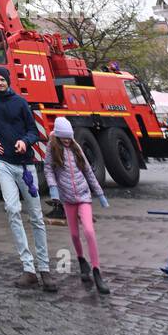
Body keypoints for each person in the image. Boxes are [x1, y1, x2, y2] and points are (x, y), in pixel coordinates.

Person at [0, 66, 57, 292]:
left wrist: (25, 141)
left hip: (26, 166)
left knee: (36, 216)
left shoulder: (21, 103)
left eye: (2, 80)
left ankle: (45, 268)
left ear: (9, 81)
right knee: (12, 210)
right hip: (3, 163)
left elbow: (34, 130)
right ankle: (28, 268)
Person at [44, 117, 110, 294]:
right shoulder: (52, 147)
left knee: (89, 231)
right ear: (57, 136)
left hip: (83, 195)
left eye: (69, 137)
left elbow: (88, 170)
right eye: (64, 137)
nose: (67, 140)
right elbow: (48, 168)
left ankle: (97, 272)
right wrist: (53, 188)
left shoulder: (75, 146)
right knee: (74, 234)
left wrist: (100, 194)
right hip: (67, 198)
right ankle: (82, 261)